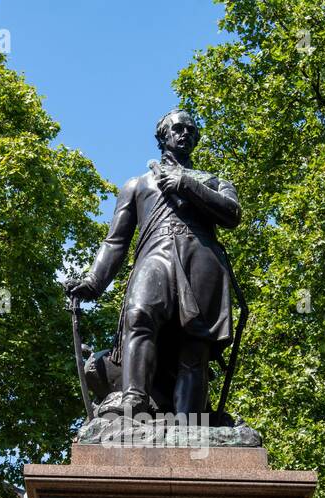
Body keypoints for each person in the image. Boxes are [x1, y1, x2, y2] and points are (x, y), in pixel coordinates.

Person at [66, 109, 241, 418]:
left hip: (201, 256)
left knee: (194, 342)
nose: (184, 133)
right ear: (163, 136)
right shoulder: (136, 185)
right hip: (155, 254)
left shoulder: (214, 182)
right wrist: (93, 282)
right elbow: (116, 241)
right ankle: (134, 403)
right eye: (177, 128)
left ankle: (189, 422)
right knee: (139, 314)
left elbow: (232, 214)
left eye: (190, 129)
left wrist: (186, 183)